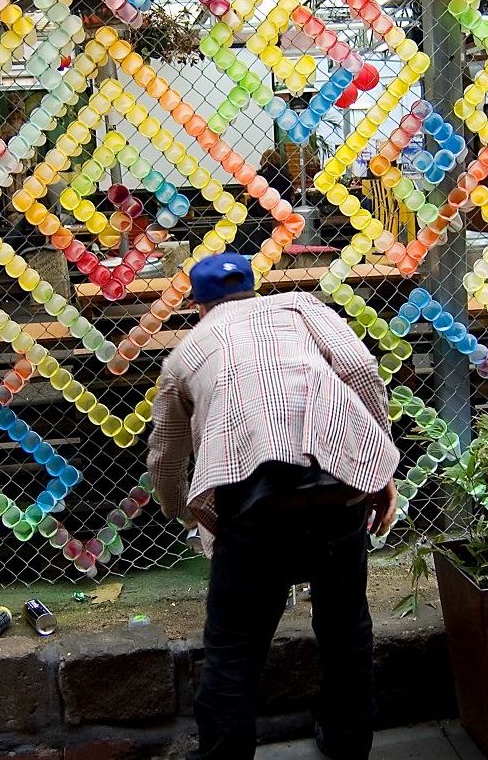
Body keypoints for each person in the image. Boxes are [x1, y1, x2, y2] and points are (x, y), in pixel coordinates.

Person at [148, 252, 399, 760]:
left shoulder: (185, 353)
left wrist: (179, 508)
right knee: (345, 626)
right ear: (253, 287)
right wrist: (377, 461)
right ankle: (349, 745)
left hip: (256, 509)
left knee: (233, 651)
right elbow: (360, 368)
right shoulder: (301, 306)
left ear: (197, 306)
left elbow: (166, 452)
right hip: (337, 488)